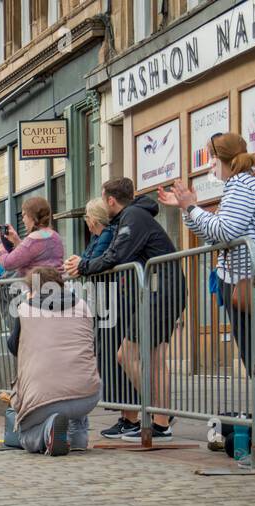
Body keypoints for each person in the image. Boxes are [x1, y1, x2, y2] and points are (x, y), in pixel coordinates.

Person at [66, 177, 185, 441]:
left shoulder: (133, 216)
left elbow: (116, 255)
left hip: (161, 291)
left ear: (110, 200)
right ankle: (161, 420)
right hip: (161, 289)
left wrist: (83, 266)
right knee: (153, 359)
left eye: (103, 197)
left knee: (126, 354)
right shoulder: (131, 216)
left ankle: (159, 415)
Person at [158, 132, 255, 371]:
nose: (209, 164)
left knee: (254, 349)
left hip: (246, 278)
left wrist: (192, 207)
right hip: (246, 277)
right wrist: (188, 209)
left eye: (211, 157)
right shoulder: (249, 181)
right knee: (254, 348)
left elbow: (224, 231)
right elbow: (215, 234)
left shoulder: (241, 184)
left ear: (220, 158)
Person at [8, 267, 101, 455]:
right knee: (80, 367)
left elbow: (13, 346)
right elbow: (91, 346)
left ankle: (48, 431)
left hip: (43, 400)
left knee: (25, 435)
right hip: (87, 396)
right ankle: (78, 438)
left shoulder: (24, 309)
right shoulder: (83, 306)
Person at [0, 197, 64, 277]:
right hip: (56, 286)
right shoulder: (54, 236)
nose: (23, 220)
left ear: (31, 215)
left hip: (37, 287)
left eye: (23, 215)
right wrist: (16, 240)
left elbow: (6, 263)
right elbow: (34, 254)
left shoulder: (33, 240)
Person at [78, 197, 116, 271]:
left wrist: (79, 263)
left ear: (93, 219)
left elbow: (93, 261)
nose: (85, 220)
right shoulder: (96, 236)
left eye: (86, 217)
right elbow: (85, 258)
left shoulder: (107, 234)